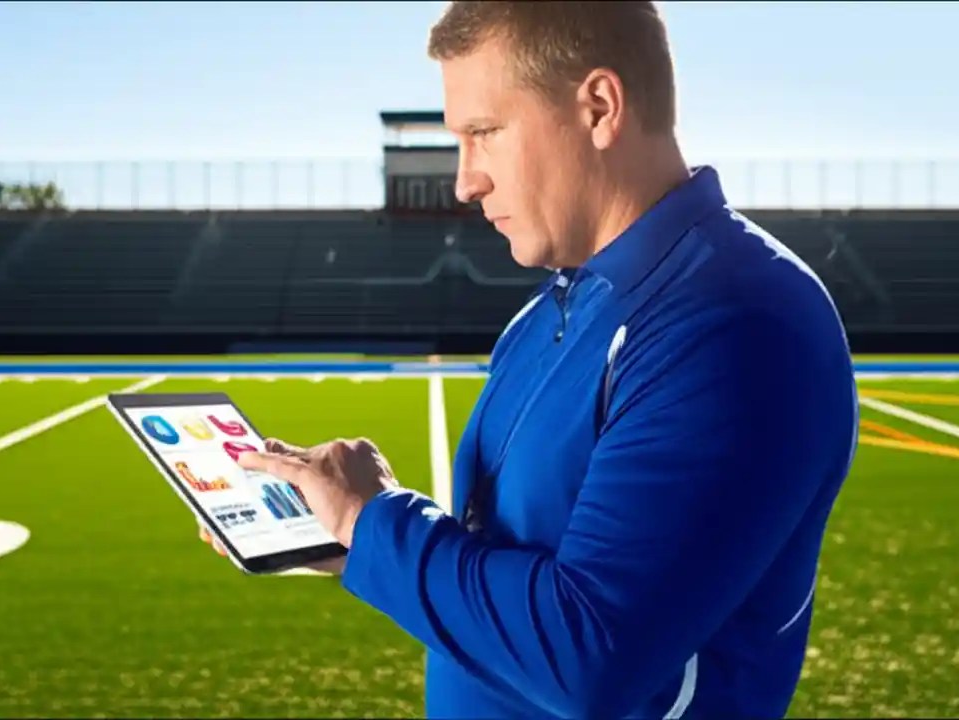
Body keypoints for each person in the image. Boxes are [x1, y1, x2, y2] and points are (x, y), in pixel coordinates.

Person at [202, 2, 859, 717]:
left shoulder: (735, 320)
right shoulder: (547, 312)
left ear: (600, 108)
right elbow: (513, 575)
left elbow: (589, 655)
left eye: (483, 133)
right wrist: (348, 539)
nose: (464, 182)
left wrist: (376, 523)